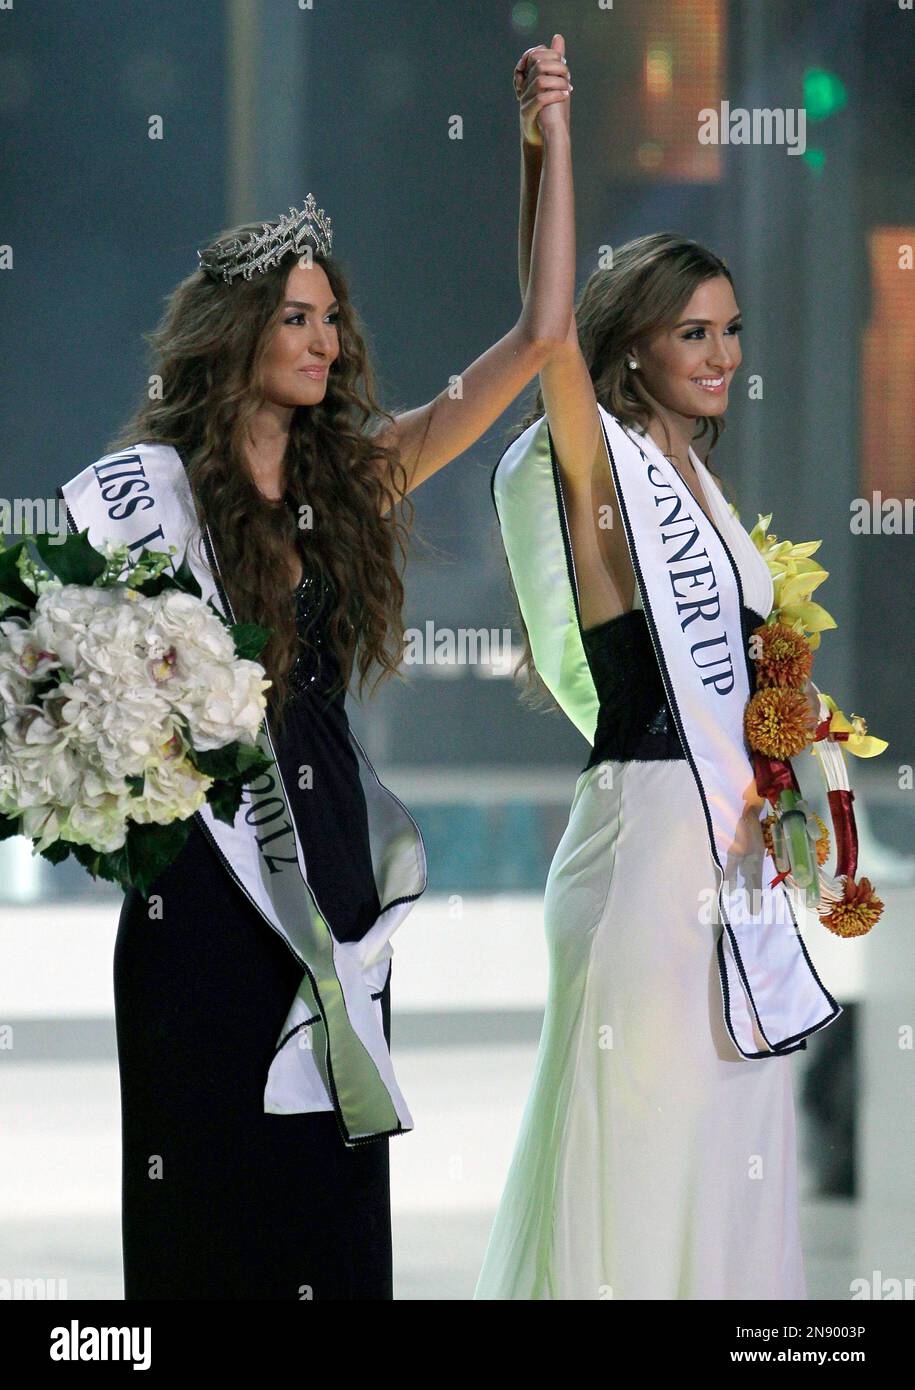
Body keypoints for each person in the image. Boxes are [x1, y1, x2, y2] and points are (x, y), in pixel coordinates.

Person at [57, 41, 574, 1300]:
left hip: (325, 881)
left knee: (326, 1226)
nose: (325, 338)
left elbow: (542, 333)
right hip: (198, 901)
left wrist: (544, 140)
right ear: (236, 333)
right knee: (205, 1223)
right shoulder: (148, 505)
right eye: (296, 315)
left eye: (332, 316)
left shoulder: (358, 475)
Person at [475, 45, 840, 1301]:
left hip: (729, 868)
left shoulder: (708, 493)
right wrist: (550, 140)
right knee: (634, 1169)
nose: (723, 352)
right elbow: (547, 328)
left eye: (731, 330)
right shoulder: (604, 479)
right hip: (642, 857)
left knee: (728, 1162)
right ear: (631, 350)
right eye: (693, 332)